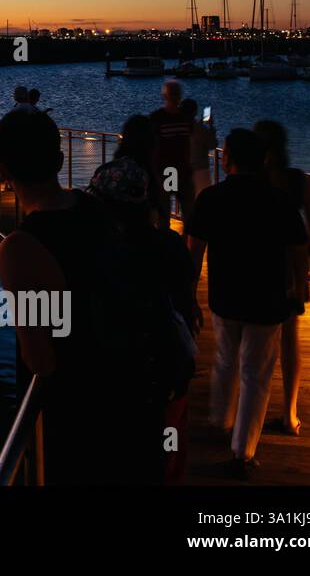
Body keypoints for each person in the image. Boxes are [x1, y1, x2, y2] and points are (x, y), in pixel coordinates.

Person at [0, 110, 165, 484]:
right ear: (59, 160)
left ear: (0, 170)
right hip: (134, 399)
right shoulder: (98, 211)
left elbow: (40, 358)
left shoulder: (20, 249)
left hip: (80, 416)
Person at [186, 129, 309, 479]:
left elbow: (194, 251)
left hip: (225, 296)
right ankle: (243, 450)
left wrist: (189, 295)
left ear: (227, 160)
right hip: (268, 300)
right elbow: (298, 252)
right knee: (256, 372)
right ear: (264, 160)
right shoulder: (278, 200)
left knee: (226, 357)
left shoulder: (211, 198)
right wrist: (298, 291)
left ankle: (221, 418)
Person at [87, 152, 200, 483]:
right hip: (169, 371)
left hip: (122, 381)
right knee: (167, 458)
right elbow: (184, 301)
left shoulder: (102, 254)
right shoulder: (169, 244)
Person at [253, 120, 310, 437]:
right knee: (290, 338)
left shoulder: (253, 182)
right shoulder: (297, 180)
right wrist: (307, 254)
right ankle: (290, 413)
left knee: (254, 339)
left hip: (258, 265)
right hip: (291, 267)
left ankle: (249, 410)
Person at [149, 80, 193, 226]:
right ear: (166, 96)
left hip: (183, 169)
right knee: (166, 209)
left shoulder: (185, 117)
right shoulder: (158, 118)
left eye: (177, 94)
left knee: (188, 211)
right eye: (173, 94)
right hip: (169, 170)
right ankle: (166, 240)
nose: (175, 97)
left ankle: (183, 242)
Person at [183, 98, 217, 221]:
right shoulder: (200, 129)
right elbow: (212, 144)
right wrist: (211, 127)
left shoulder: (179, 127)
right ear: (195, 111)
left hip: (182, 170)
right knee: (202, 202)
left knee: (186, 204)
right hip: (200, 171)